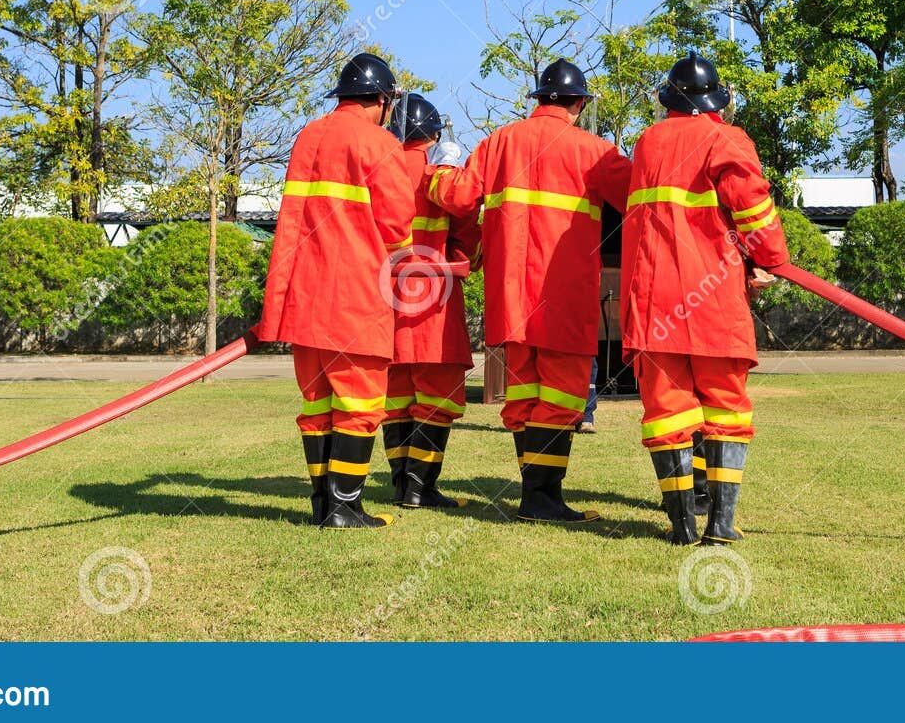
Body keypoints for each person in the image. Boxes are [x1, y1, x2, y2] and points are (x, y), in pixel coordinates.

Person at [427, 58, 632, 523]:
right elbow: (644, 193)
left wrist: (433, 172)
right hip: (564, 297)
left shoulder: (500, 141)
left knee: (524, 395)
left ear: (539, 99)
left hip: (511, 296)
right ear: (579, 104)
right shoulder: (594, 151)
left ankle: (535, 495)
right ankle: (542, 499)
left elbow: (459, 197)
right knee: (562, 395)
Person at [620, 54, 790, 546]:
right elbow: (754, 210)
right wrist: (769, 259)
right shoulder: (726, 139)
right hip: (713, 295)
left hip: (653, 301)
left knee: (667, 409)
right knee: (727, 406)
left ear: (668, 100)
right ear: (718, 99)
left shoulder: (648, 142)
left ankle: (681, 526)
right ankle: (720, 522)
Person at [256, 52, 416, 530]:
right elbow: (395, 224)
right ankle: (346, 508)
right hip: (354, 296)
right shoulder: (378, 142)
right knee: (361, 404)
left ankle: (322, 506)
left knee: (318, 406)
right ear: (383, 101)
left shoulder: (308, 136)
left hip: (304, 296)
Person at [380, 93, 478, 510]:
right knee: (436, 396)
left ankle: (401, 484)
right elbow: (469, 231)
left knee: (396, 396)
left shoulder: (379, 165)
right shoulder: (441, 171)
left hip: (384, 299)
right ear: (435, 134)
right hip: (433, 298)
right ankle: (420, 488)